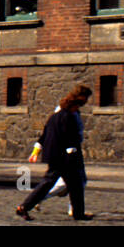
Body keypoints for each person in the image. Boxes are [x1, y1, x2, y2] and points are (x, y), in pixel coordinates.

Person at [16, 85, 93, 221]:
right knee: (56, 183)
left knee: (72, 184)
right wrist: (72, 154)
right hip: (64, 157)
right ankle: (24, 207)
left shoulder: (56, 116)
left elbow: (45, 134)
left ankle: (78, 213)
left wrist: (36, 151)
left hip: (56, 155)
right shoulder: (67, 117)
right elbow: (69, 138)